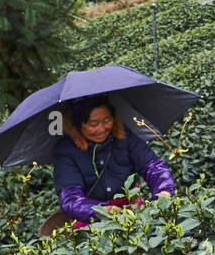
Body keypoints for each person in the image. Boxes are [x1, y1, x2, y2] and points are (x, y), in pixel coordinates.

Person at [52, 95, 176, 229]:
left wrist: (164, 190)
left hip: (132, 210)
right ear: (78, 124)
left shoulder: (124, 136)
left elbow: (152, 165)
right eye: (93, 124)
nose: (101, 129)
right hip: (92, 220)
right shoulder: (66, 151)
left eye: (107, 120)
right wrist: (105, 211)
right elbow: (70, 200)